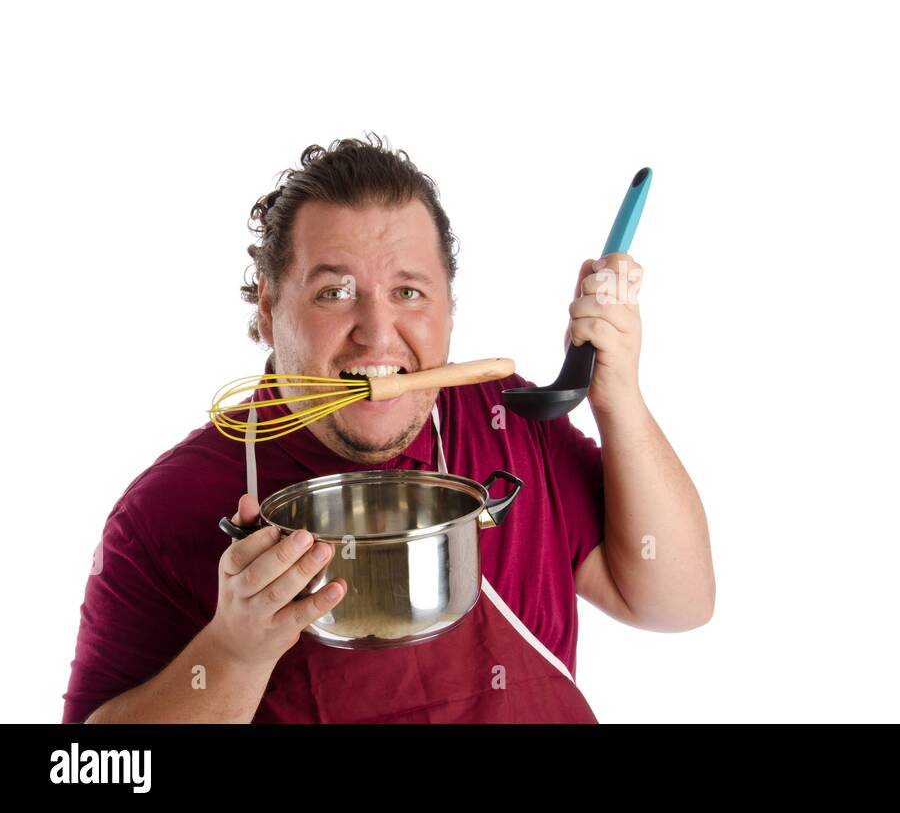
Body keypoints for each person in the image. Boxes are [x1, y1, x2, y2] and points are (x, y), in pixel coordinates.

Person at [62, 134, 714, 723]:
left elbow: (674, 601)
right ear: (267, 306)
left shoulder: (508, 419)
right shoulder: (167, 507)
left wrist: (619, 399)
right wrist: (232, 652)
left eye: (408, 292)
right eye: (334, 292)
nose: (377, 333)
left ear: (448, 307)